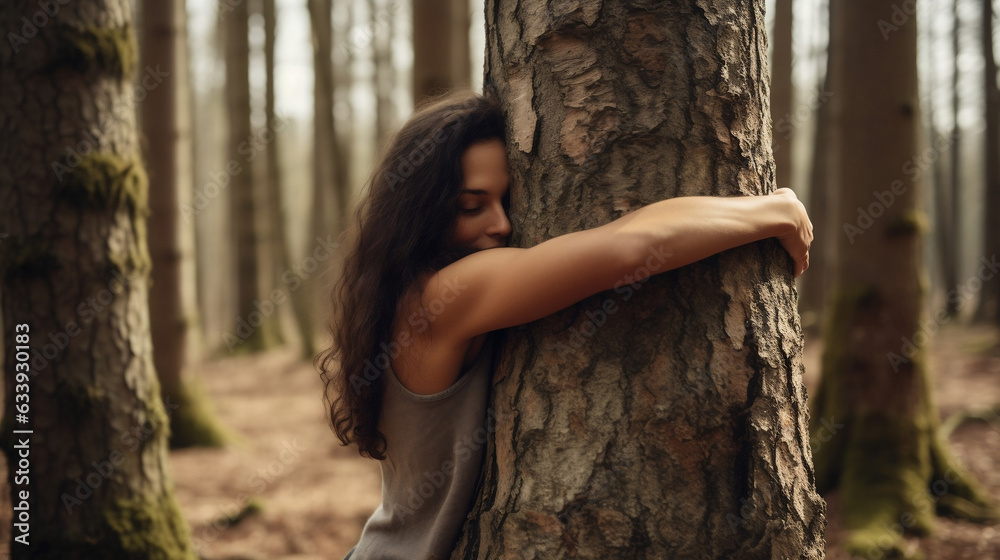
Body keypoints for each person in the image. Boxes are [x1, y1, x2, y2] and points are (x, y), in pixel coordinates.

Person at [316, 91, 813, 560]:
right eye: (472, 206)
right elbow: (631, 249)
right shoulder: (444, 297)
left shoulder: (393, 294)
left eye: (506, 202)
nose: (503, 225)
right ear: (420, 214)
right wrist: (774, 210)